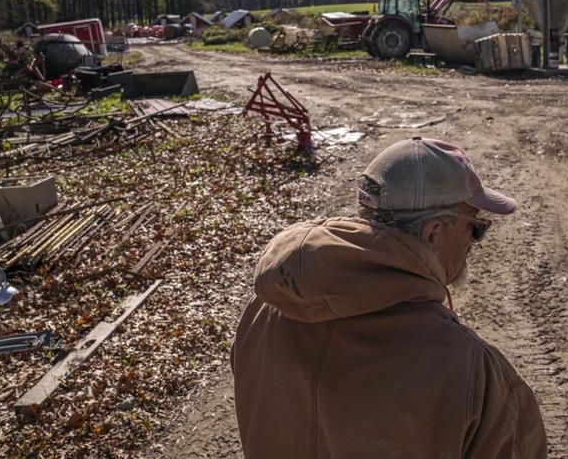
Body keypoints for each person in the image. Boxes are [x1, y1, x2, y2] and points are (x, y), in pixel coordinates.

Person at [231, 137, 547, 458]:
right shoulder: (474, 373)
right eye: (475, 228)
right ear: (433, 233)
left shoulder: (264, 309)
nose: (474, 243)